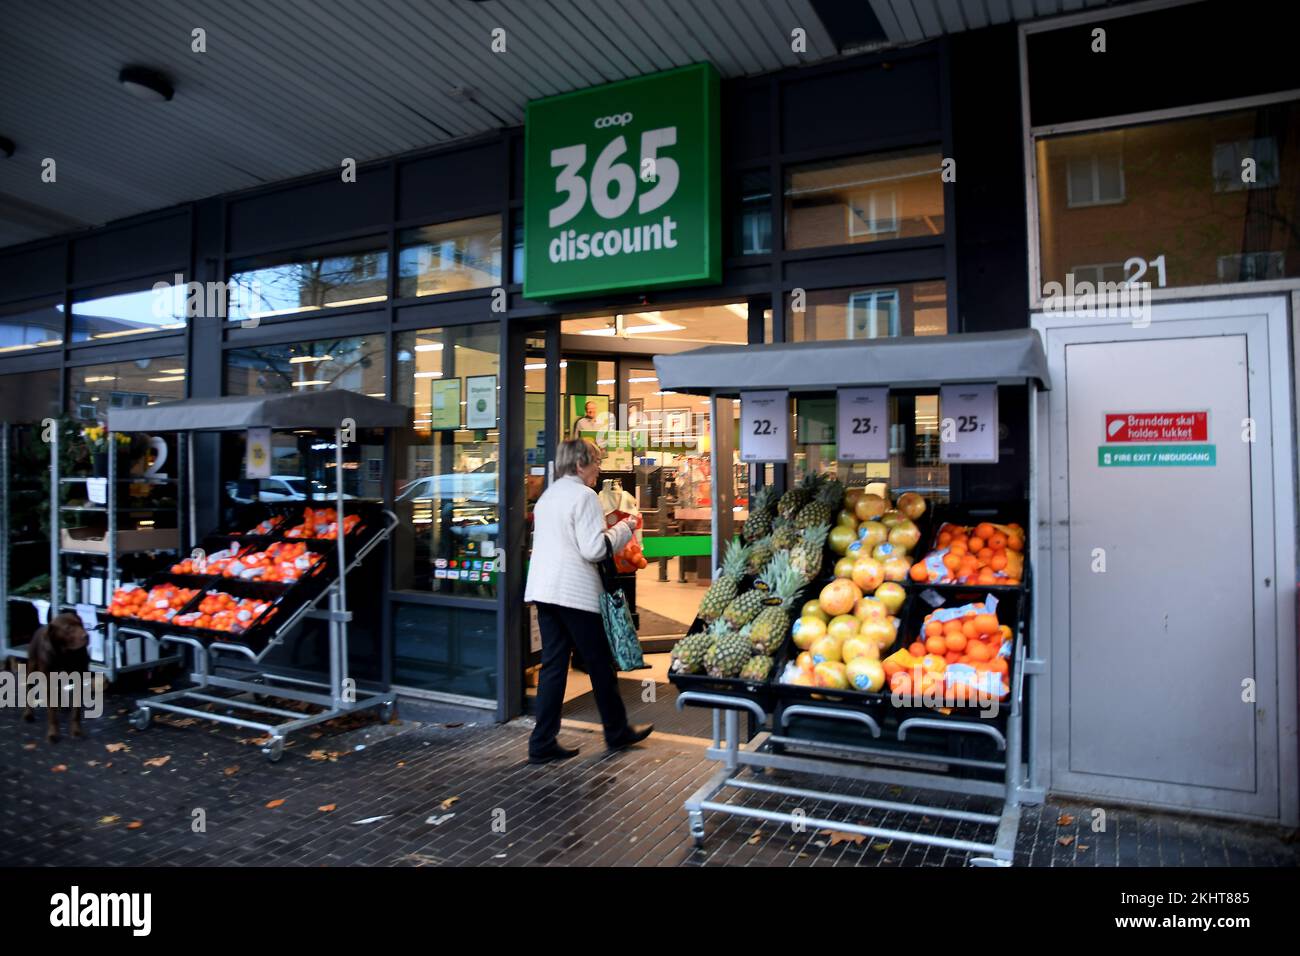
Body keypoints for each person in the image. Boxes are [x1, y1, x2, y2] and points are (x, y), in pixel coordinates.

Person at [524, 438, 653, 763]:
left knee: (554, 666)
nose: (599, 467)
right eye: (595, 461)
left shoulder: (548, 496)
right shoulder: (584, 496)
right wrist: (625, 527)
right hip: (574, 594)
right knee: (600, 664)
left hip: (545, 592)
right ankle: (616, 731)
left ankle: (542, 742)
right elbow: (593, 549)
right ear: (580, 464)